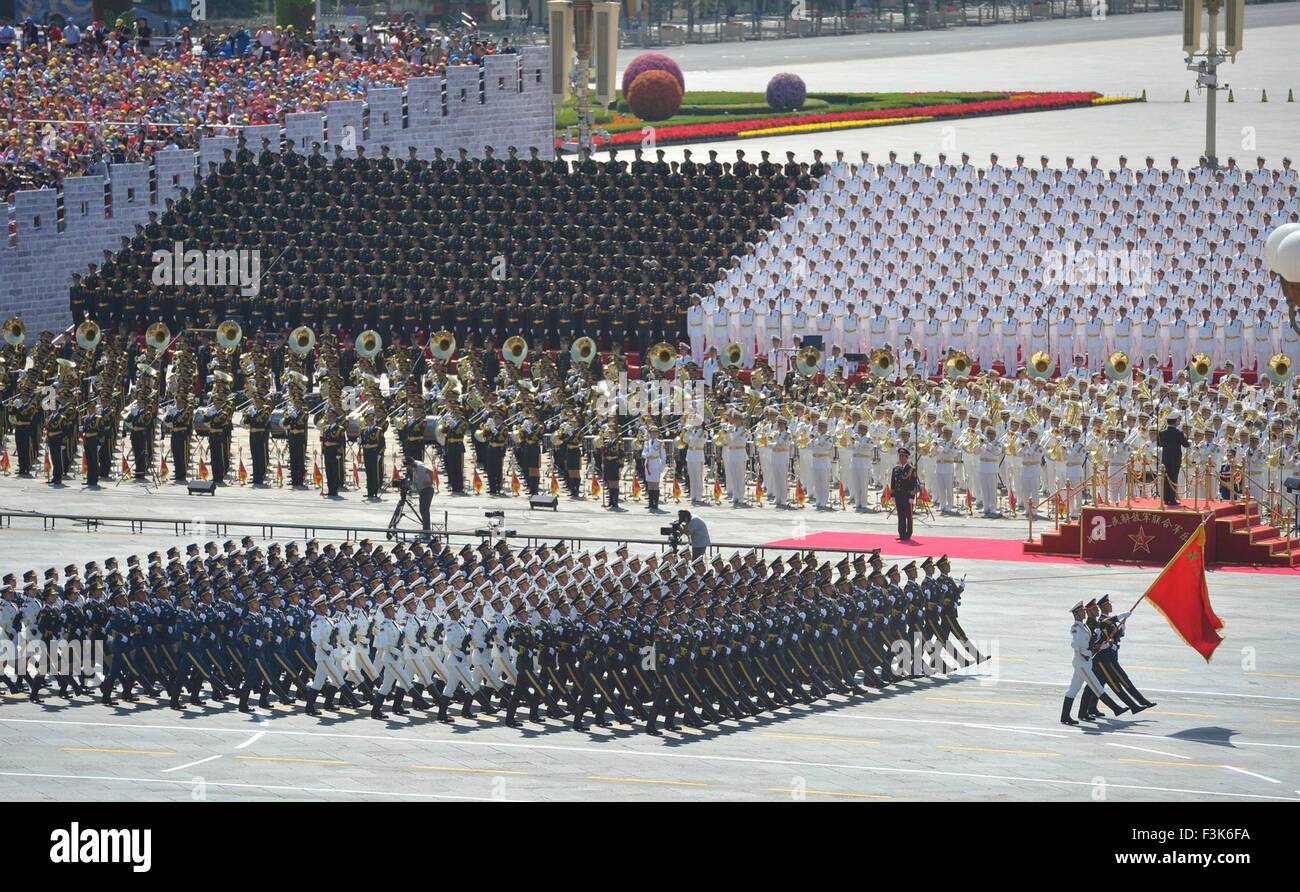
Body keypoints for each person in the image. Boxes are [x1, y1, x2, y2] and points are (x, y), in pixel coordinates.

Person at [1157, 413, 1190, 505]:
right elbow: (1186, 444)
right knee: (1173, 477)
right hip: (1175, 459)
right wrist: (1187, 438)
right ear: (1175, 421)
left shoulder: (1162, 433)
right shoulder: (1178, 433)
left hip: (1165, 458)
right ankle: (1171, 499)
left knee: (1166, 478)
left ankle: (1166, 498)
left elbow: (1159, 444)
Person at [890, 447, 918, 541]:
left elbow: (913, 484)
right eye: (900, 456)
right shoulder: (896, 469)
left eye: (903, 456)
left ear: (907, 458)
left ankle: (908, 534)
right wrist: (892, 495)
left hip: (907, 496)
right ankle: (901, 533)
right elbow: (893, 483)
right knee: (900, 515)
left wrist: (912, 496)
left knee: (908, 516)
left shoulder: (911, 469)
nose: (901, 458)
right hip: (898, 495)